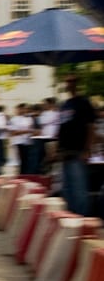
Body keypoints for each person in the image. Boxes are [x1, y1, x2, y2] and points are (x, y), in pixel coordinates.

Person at [57, 77, 96, 217]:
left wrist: (87, 149)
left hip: (78, 151)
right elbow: (62, 128)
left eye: (72, 82)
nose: (69, 85)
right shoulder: (65, 104)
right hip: (65, 153)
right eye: (67, 82)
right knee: (67, 189)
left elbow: (91, 127)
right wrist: (58, 149)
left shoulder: (84, 103)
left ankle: (82, 219)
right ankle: (71, 217)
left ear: (77, 85)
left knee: (79, 189)